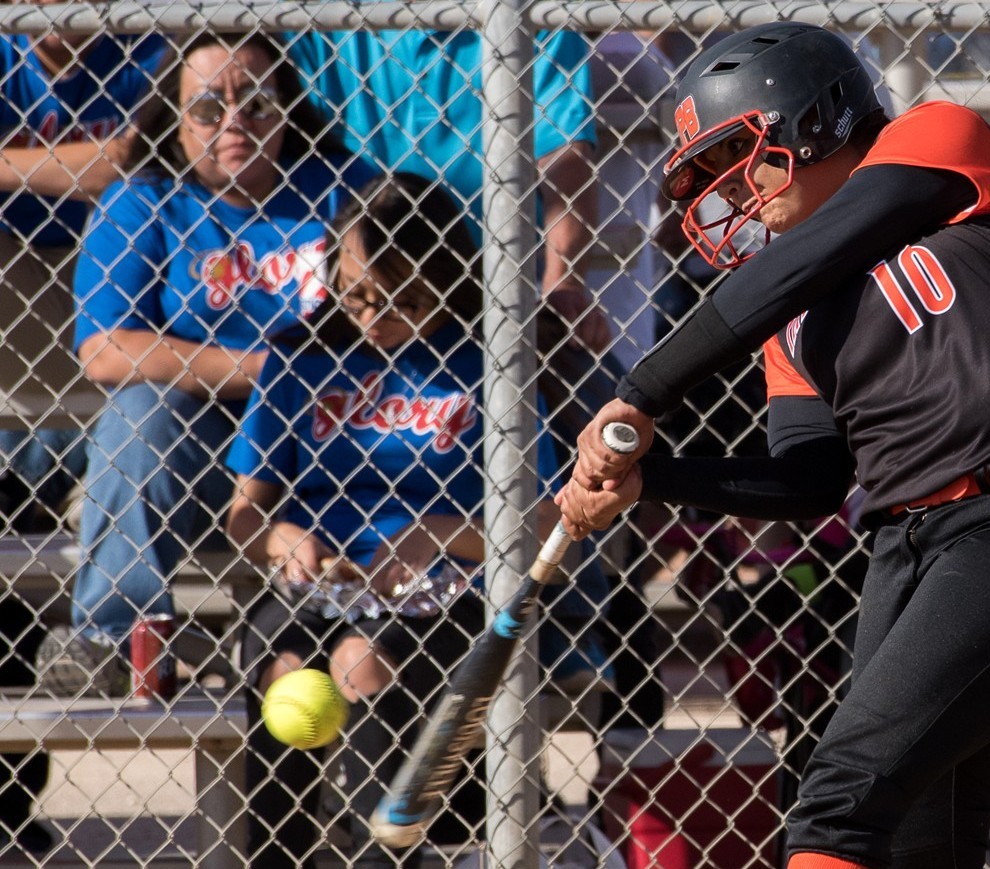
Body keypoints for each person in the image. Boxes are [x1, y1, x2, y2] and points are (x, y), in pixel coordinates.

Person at [556, 22, 990, 868]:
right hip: (907, 552)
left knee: (838, 800)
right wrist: (652, 478)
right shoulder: (784, 313)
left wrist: (642, 389)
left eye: (741, 155)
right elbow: (808, 478)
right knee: (914, 847)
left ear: (816, 119)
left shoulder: (938, 140)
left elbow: (815, 254)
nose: (735, 189)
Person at [226, 173, 611, 868]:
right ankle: (276, 860)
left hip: (447, 590)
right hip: (317, 583)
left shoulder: (490, 362)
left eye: (403, 298)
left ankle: (384, 860)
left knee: (360, 662)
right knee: (287, 670)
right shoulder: (299, 355)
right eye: (356, 294)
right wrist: (283, 536)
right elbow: (244, 517)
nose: (375, 317)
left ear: (446, 279)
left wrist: (436, 533)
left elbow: (544, 525)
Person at [34, 31, 376, 694]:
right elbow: (105, 348)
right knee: (140, 413)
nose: (234, 122)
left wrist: (297, 382)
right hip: (209, 449)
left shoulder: (345, 189)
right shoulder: (143, 200)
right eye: (207, 108)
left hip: (332, 438)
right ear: (175, 116)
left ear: (288, 106)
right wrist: (269, 370)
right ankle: (114, 641)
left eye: (257, 102)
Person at [0, 14, 165, 852]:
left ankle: (13, 804)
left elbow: (135, 160)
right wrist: (77, 169)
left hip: (117, 306)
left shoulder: (148, 46)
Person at [283, 24, 611, 355]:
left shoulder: (527, 15)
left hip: (492, 293)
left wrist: (563, 281)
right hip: (355, 294)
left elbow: (564, 157)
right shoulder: (331, 18)